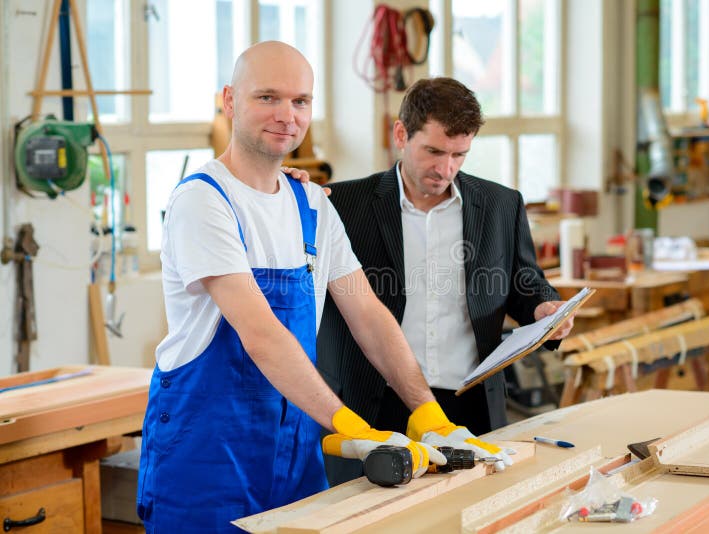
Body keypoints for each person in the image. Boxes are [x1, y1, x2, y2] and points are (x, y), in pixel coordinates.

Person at [136, 44, 510, 533]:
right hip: (207, 454)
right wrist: (349, 424)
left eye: (300, 101)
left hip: (293, 449)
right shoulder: (203, 202)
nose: (286, 116)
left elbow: (370, 316)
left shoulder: (311, 203)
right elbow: (262, 336)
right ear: (228, 100)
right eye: (267, 97)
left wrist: (428, 412)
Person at [318, 77, 573, 486]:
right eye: (434, 151)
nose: (445, 168)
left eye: (459, 154)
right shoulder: (342, 205)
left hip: (470, 404)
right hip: (376, 403)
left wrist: (544, 307)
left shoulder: (500, 204)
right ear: (401, 134)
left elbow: (525, 281)